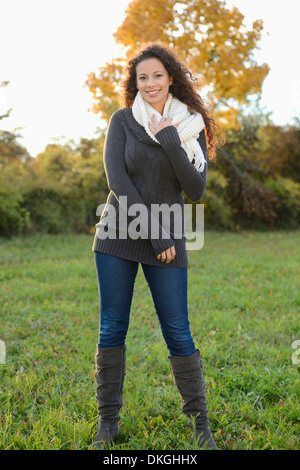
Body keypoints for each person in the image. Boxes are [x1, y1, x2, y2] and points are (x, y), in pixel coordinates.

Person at [91, 43, 222, 450]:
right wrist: (156, 233)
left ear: (171, 79)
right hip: (118, 234)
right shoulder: (123, 121)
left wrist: (169, 139)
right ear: (135, 84)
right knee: (113, 327)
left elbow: (195, 189)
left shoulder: (188, 126)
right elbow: (118, 181)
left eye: (157, 76)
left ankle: (201, 425)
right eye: (142, 78)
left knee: (178, 332)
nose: (149, 84)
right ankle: (108, 424)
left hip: (168, 240)